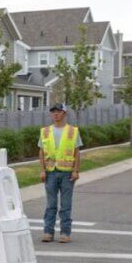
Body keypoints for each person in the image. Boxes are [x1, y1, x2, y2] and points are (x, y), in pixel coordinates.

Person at [38, 103, 82, 243]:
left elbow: (76, 152)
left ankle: (65, 233)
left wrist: (75, 170)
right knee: (51, 204)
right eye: (53, 112)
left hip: (67, 173)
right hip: (50, 173)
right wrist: (42, 170)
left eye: (58, 111)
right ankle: (48, 232)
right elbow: (41, 151)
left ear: (64, 114)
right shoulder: (45, 131)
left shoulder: (72, 131)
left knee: (65, 205)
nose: (55, 114)